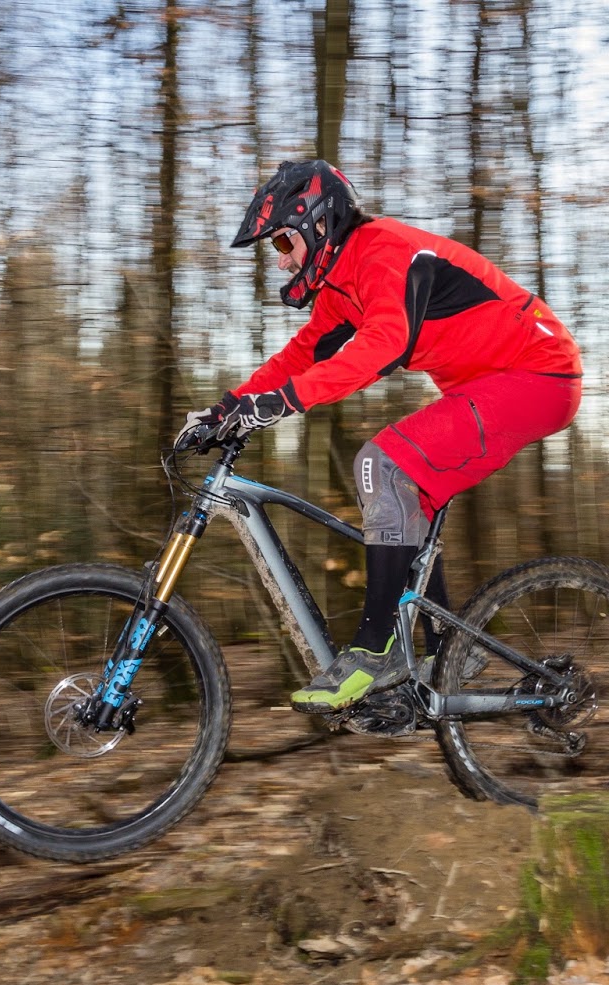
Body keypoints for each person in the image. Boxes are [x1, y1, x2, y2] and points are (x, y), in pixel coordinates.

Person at [180, 159, 583, 717]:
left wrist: (281, 403)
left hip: (537, 374)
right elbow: (302, 355)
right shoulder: (341, 287)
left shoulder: (382, 251)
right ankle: (449, 657)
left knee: (381, 465)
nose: (281, 258)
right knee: (407, 493)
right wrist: (226, 407)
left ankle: (377, 648)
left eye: (282, 242)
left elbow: (384, 345)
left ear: (319, 224)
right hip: (491, 385)